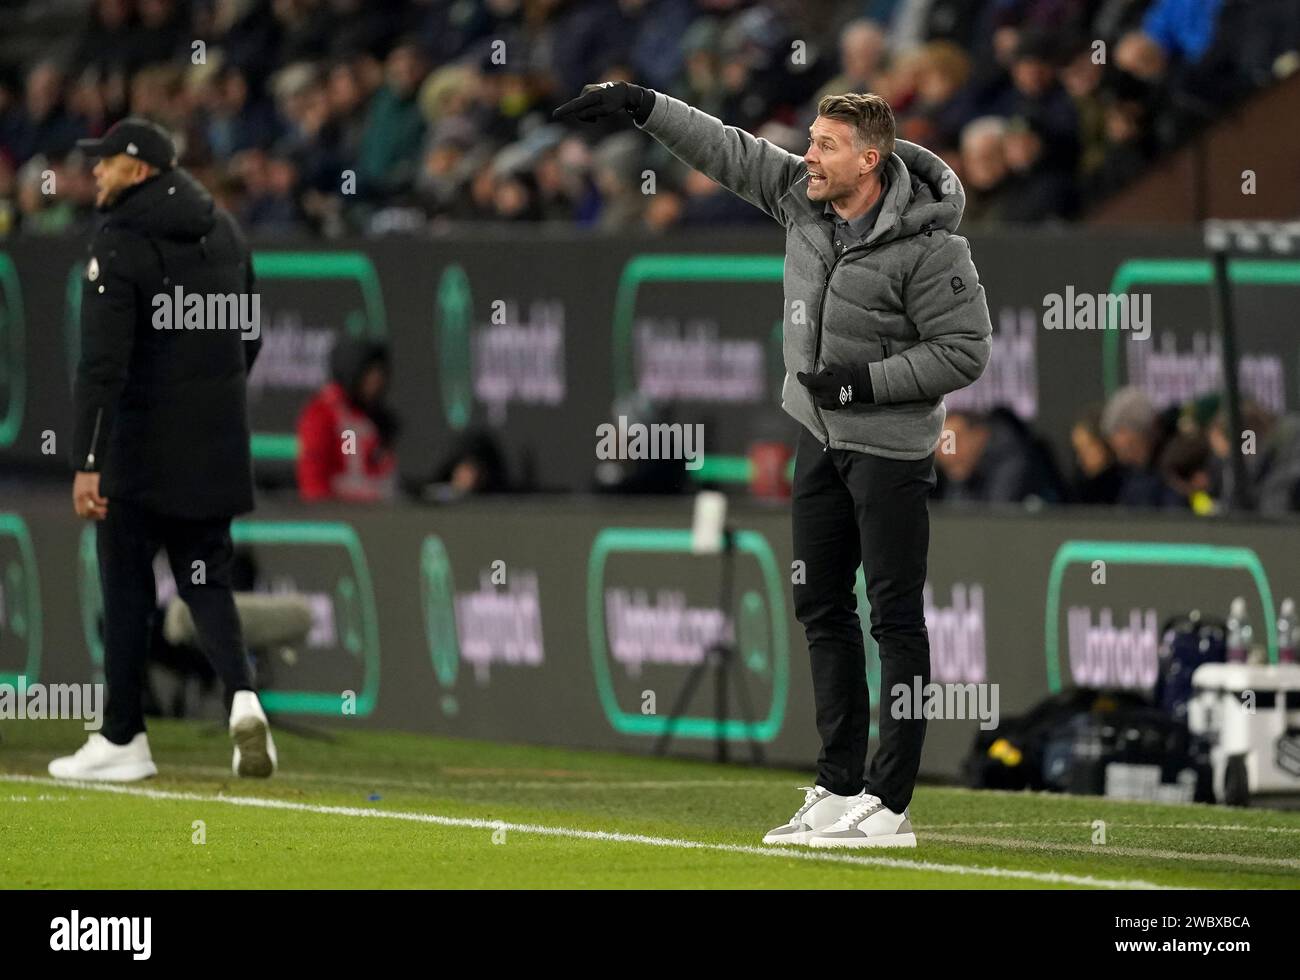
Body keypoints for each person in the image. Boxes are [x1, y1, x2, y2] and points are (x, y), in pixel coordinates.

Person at [554, 83, 991, 847]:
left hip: (890, 453)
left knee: (895, 620)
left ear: (871, 158)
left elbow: (966, 351)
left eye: (825, 144)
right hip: (817, 438)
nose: (808, 155)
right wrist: (641, 104)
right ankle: (838, 781)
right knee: (822, 607)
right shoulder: (801, 198)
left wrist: (863, 382)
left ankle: (891, 805)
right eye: (811, 140)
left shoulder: (933, 246)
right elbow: (725, 149)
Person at [52, 118, 276, 782]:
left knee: (125, 590)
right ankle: (242, 696)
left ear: (141, 170)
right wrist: (206, 406)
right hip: (212, 451)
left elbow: (101, 367)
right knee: (206, 582)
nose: (94, 171)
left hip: (139, 457)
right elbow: (251, 338)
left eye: (107, 162)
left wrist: (86, 460)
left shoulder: (119, 243)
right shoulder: (227, 230)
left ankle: (123, 738)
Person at [295, 337, 399, 501]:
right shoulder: (322, 413)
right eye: (370, 372)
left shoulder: (376, 419)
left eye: (381, 372)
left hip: (378, 514)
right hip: (339, 515)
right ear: (352, 370)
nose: (377, 381)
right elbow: (312, 477)